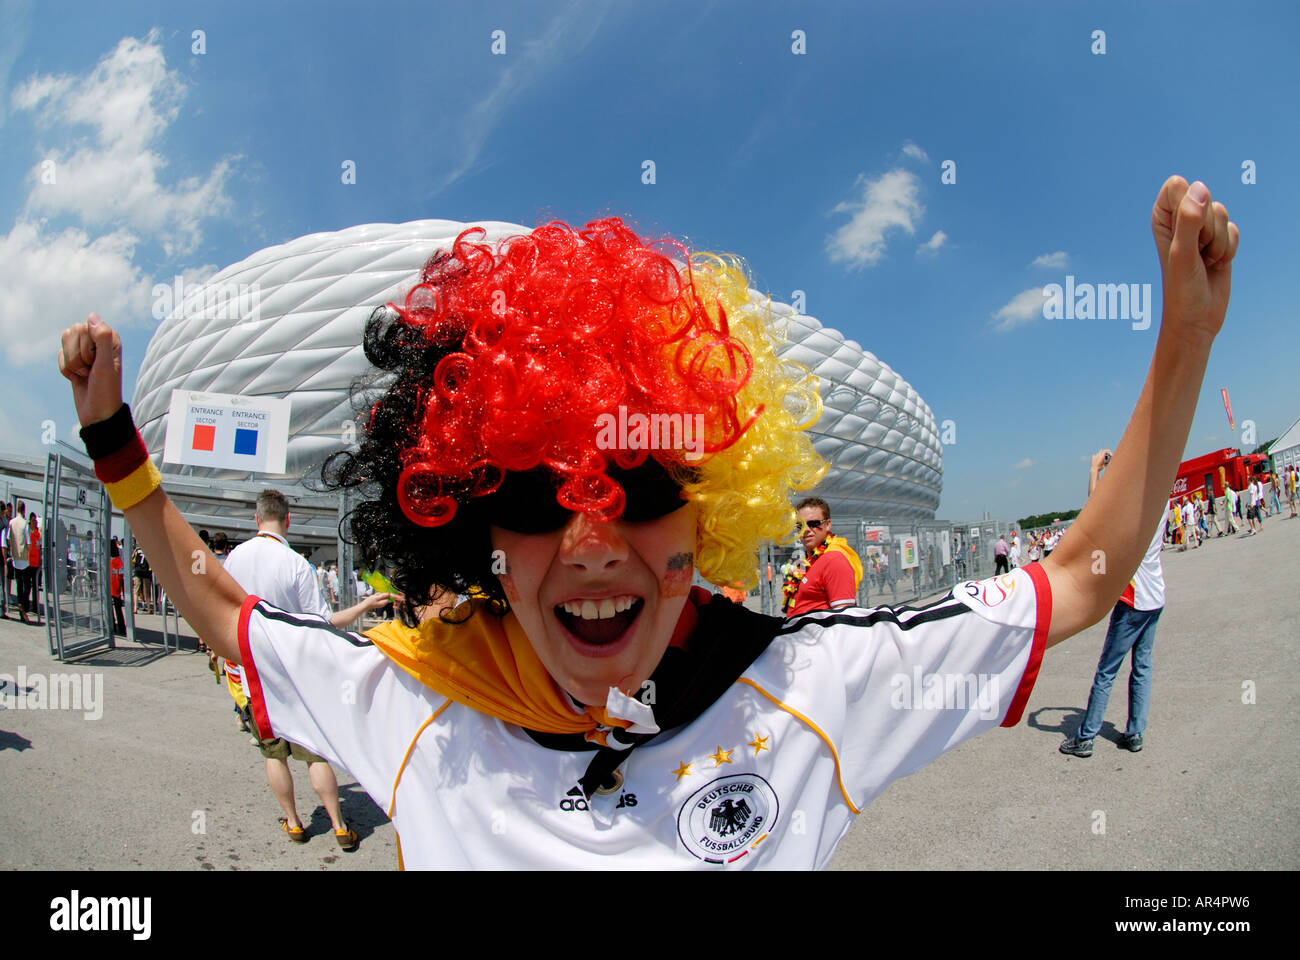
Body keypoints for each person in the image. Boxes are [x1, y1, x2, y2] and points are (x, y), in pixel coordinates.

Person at [59, 177, 1238, 868]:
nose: (589, 539)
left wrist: (1183, 338)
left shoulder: (809, 687)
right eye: (533, 491)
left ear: (710, 505)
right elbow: (221, 607)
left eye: (637, 481)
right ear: (474, 524)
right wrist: (116, 443)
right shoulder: (411, 699)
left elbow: (1078, 577)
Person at [220, 489, 395, 850]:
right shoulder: (297, 564)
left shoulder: (234, 558)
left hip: (254, 673)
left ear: (256, 519)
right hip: (296, 673)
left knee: (273, 753)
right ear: (288, 519)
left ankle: (294, 822)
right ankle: (339, 825)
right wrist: (364, 606)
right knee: (314, 752)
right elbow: (322, 624)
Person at [1060, 449, 1167, 756]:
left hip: (1133, 599)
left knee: (1107, 670)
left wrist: (1095, 471)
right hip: (1155, 595)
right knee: (1142, 666)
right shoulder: (1161, 500)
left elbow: (1096, 515)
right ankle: (1135, 732)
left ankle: (1086, 737)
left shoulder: (1134, 507)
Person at [781, 497, 863, 616]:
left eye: (813, 524)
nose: (806, 530)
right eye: (800, 525)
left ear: (827, 525)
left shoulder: (834, 559)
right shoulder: (810, 559)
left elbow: (844, 617)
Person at [6, 500, 33, 625]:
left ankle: (20, 607)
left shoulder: (11, 522)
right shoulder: (25, 524)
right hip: (24, 558)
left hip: (15, 558)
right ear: (24, 510)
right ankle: (23, 605)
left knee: (19, 584)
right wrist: (29, 549)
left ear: (17, 509)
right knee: (27, 585)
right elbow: (28, 543)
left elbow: (8, 539)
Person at [108, 539, 126, 636]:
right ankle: (121, 627)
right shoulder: (119, 556)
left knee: (110, 607)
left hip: (111, 582)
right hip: (117, 582)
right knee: (118, 607)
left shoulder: (109, 558)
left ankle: (113, 626)